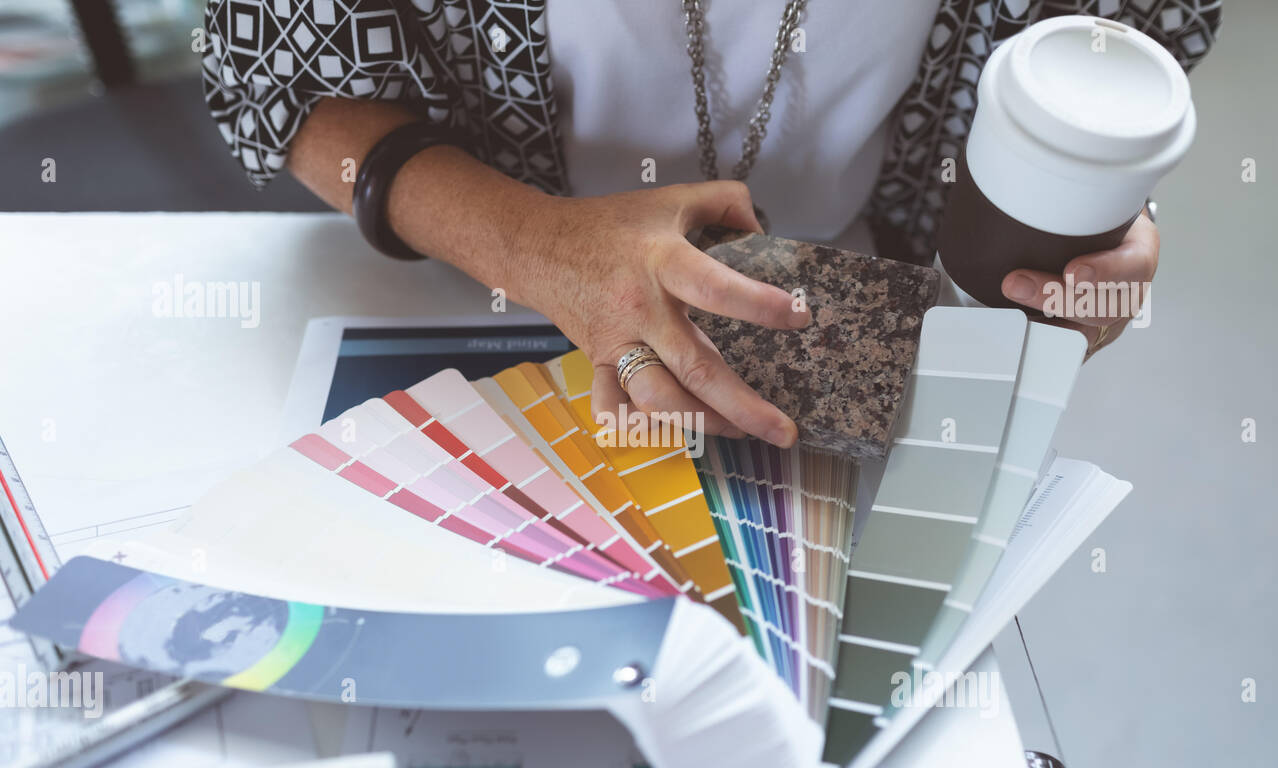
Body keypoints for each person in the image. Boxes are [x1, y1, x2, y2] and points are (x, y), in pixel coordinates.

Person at [202, 0, 1221, 447]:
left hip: (859, 345)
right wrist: (534, 244)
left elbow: (1101, 61)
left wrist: (1088, 241)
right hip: (473, 295)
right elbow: (274, 75)